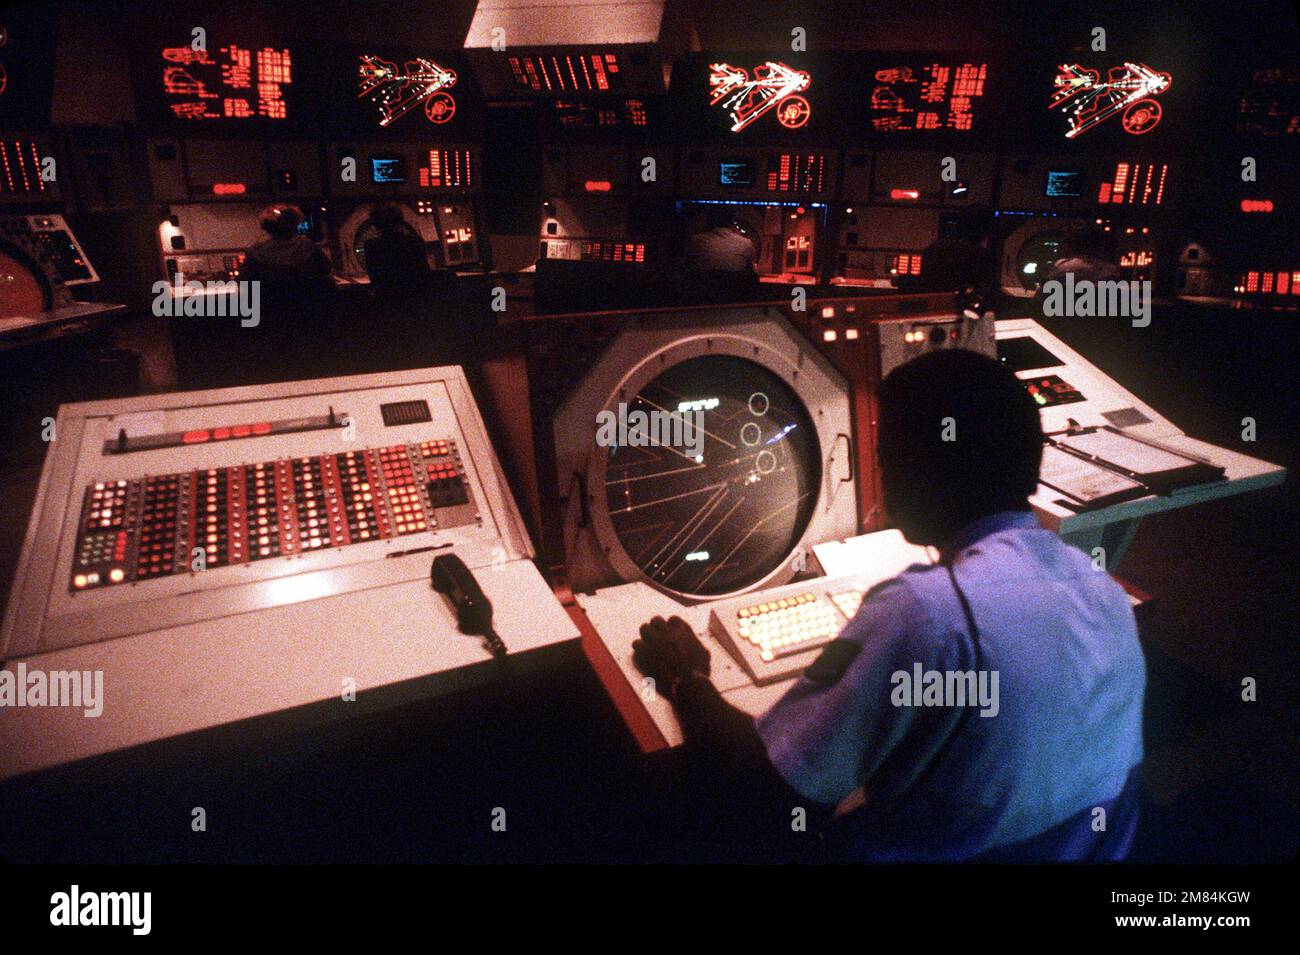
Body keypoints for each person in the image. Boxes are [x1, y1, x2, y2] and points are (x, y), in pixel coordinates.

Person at [633, 349, 1146, 862]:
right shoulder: (1102, 590)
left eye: (887, 458)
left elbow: (761, 792)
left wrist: (687, 679)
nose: (882, 472)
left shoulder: (925, 612)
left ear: (912, 474)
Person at [241, 203, 332, 292]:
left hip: (270, 306)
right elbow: (325, 270)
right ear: (295, 224)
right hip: (305, 305)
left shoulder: (254, 252)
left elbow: (246, 283)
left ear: (266, 227)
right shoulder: (308, 246)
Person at [363, 202, 432, 295]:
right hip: (417, 298)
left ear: (375, 225)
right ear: (401, 222)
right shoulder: (415, 240)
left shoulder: (372, 246)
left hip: (388, 300)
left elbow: (375, 279)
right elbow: (424, 272)